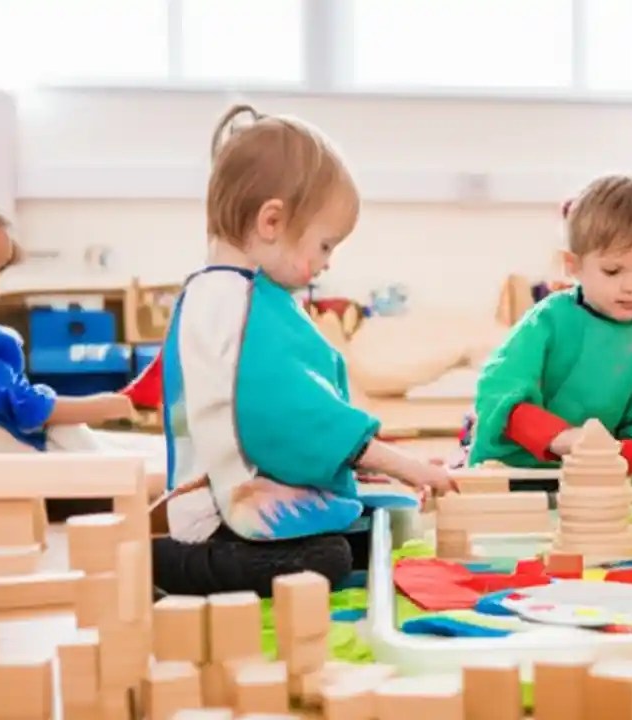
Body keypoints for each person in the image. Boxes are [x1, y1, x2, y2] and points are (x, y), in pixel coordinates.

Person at [151, 104, 456, 598]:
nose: (326, 263)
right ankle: (166, 564)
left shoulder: (229, 292)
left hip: (248, 493)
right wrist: (410, 467)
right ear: (272, 221)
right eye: (324, 246)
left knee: (368, 530)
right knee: (329, 558)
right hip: (223, 516)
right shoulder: (239, 303)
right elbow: (294, 416)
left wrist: (376, 465)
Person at [0, 173, 151, 525]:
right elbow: (25, 406)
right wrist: (101, 405)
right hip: (17, 467)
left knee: (119, 452)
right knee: (136, 468)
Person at [468, 175, 632, 473]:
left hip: (599, 479)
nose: (631, 286)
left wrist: (613, 457)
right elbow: (498, 391)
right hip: (513, 469)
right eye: (612, 271)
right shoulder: (548, 319)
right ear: (573, 266)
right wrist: (562, 439)